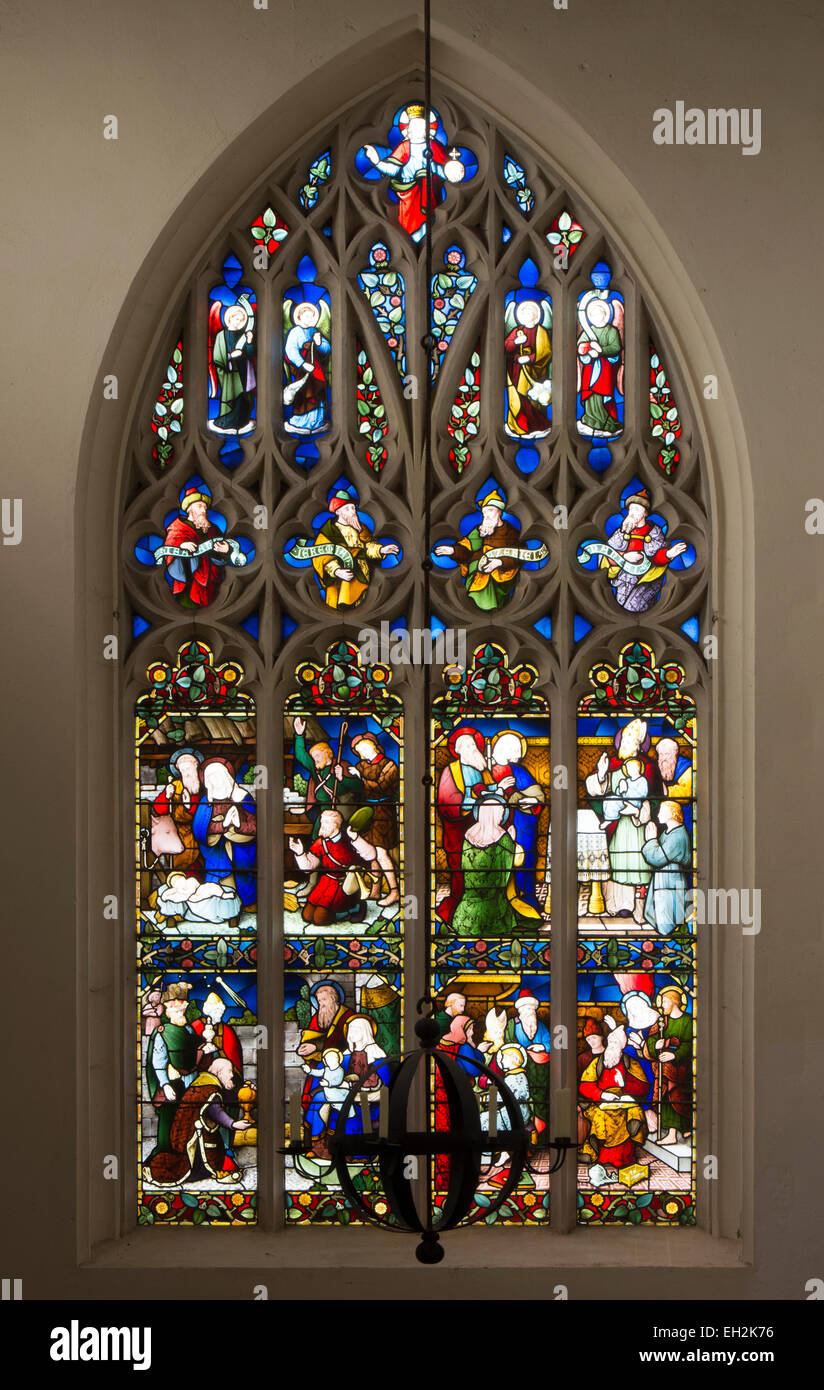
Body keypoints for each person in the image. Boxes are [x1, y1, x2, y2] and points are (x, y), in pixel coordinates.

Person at [142, 1056, 252, 1187]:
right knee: (192, 1166)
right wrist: (233, 1124)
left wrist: (245, 1092)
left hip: (184, 1134)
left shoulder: (203, 1082)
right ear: (219, 1072)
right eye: (229, 1071)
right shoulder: (210, 1090)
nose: (232, 1075)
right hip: (194, 1138)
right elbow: (216, 1112)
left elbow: (226, 1096)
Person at [359, 105, 452, 243]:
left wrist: (451, 170)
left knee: (430, 222)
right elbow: (394, 169)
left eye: (422, 127)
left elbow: (444, 172)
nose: (419, 130)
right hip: (408, 194)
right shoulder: (404, 147)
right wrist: (377, 162)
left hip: (430, 193)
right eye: (415, 126)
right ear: (408, 129)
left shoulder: (435, 147)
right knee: (410, 226)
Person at [450, 790, 532, 937]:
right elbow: (513, 865)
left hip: (469, 902)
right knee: (531, 920)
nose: (501, 817)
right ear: (493, 814)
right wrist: (512, 842)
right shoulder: (502, 837)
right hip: (494, 903)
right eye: (500, 813)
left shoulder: (468, 835)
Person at [435, 726, 492, 922]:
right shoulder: (450, 771)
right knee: (461, 870)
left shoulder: (482, 769)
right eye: (466, 745)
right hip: (458, 829)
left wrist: (497, 790)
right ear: (457, 749)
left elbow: (491, 789)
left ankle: (482, 910)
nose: (471, 748)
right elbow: (446, 801)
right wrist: (473, 798)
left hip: (482, 829)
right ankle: (459, 908)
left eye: (473, 745)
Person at [598, 491, 688, 613]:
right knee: (621, 607)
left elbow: (657, 558)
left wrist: (669, 554)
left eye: (636, 509)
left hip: (647, 580)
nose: (632, 513)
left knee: (634, 605)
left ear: (645, 512)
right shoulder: (621, 533)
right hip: (624, 580)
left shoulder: (655, 532)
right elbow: (606, 555)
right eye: (630, 509)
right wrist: (625, 556)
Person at [579, 1017, 649, 1172]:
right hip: (600, 1101)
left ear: (621, 1047)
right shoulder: (598, 1063)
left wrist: (626, 1086)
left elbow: (643, 1086)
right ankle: (596, 1154)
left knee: (633, 1112)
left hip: (624, 1100)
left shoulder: (630, 1062)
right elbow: (584, 1085)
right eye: (611, 1043)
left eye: (615, 1043)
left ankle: (624, 1155)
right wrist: (601, 1094)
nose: (612, 1046)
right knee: (601, 1116)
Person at [308, 491, 399, 610]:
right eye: (347, 509)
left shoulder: (362, 529)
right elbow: (322, 557)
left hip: (362, 577)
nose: (352, 512)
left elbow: (367, 547)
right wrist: (337, 571)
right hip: (338, 583)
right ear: (338, 511)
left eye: (353, 508)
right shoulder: (328, 532)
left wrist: (381, 549)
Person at [433, 491, 523, 611]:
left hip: (502, 578)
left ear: (500, 512)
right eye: (484, 511)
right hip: (478, 577)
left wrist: (499, 563)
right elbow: (467, 551)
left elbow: (520, 555)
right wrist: (452, 550)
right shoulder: (479, 532)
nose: (487, 515)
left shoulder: (512, 533)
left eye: (490, 510)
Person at [144, 983, 200, 1170]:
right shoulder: (162, 1032)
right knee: (169, 1120)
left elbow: (193, 1057)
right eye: (173, 1001)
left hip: (190, 1082)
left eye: (181, 1001)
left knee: (189, 1119)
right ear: (166, 1006)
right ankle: (165, 1155)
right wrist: (165, 1085)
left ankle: (190, 1157)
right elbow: (158, 1062)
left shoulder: (190, 1030)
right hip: (171, 1085)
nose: (178, 1004)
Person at [490, 729, 546, 913]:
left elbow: (537, 795)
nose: (516, 754)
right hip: (494, 824)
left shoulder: (519, 771)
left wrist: (524, 800)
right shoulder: (485, 771)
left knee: (525, 857)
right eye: (512, 749)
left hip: (522, 823)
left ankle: (526, 898)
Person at [296, 981, 356, 1152]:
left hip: (343, 1072)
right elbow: (311, 1037)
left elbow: (347, 1044)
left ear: (334, 999)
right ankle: (315, 1144)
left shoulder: (348, 1017)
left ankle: (334, 1143)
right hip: (320, 1071)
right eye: (318, 1000)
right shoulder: (319, 1017)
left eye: (323, 1000)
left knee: (333, 1104)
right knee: (311, 1101)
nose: (320, 1004)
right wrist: (306, 1046)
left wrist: (316, 1047)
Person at [289, 808, 375, 926]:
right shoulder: (320, 843)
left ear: (335, 825)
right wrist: (300, 853)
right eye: (322, 822)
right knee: (307, 915)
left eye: (326, 823)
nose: (322, 826)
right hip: (326, 881)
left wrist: (356, 838)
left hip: (343, 884)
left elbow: (371, 855)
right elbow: (308, 868)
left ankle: (354, 908)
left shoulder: (349, 839)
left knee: (320, 918)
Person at [191, 757, 257, 911]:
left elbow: (255, 826)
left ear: (227, 777)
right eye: (212, 779)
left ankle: (248, 902)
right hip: (216, 852)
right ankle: (223, 906)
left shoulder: (242, 797)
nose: (217, 782)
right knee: (219, 880)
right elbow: (199, 829)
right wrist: (224, 824)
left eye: (219, 776)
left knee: (244, 869)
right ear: (207, 782)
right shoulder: (206, 802)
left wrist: (238, 824)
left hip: (242, 849)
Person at [347, 732, 400, 907]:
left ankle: (394, 891)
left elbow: (381, 787)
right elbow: (354, 786)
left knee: (381, 851)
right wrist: (342, 776)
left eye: (365, 748)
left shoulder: (389, 765)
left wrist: (360, 777)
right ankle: (376, 890)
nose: (363, 753)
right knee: (372, 854)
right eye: (359, 751)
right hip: (367, 812)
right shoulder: (361, 765)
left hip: (383, 811)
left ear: (374, 746)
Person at [158, 487, 233, 608]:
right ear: (189, 509)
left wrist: (225, 551)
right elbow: (170, 545)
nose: (204, 510)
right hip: (187, 587)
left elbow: (221, 557)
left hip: (210, 586)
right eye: (199, 506)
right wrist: (181, 546)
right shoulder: (178, 527)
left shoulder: (214, 529)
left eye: (205, 507)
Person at [291, 716, 360, 826]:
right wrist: (299, 735)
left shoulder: (342, 765)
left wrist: (342, 778)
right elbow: (301, 755)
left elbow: (359, 786)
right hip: (320, 811)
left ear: (327, 753)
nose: (315, 759)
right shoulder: (315, 768)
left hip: (339, 811)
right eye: (313, 757)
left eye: (317, 755)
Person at [646, 987, 694, 1144]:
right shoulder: (662, 1021)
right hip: (665, 1067)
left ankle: (684, 1128)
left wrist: (675, 1054)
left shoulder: (687, 1020)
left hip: (682, 1067)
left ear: (674, 1001)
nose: (662, 1005)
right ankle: (672, 1133)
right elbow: (651, 1040)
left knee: (678, 1095)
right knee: (666, 1094)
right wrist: (657, 1045)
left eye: (665, 1001)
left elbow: (689, 1043)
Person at [641, 802, 692, 937]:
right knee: (661, 903)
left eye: (662, 811)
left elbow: (658, 858)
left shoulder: (677, 836)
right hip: (664, 876)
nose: (658, 815)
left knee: (667, 905)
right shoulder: (668, 832)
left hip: (671, 878)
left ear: (671, 814)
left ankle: (668, 938)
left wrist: (651, 840)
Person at [504, 990, 551, 1134]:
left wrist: (541, 1046)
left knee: (540, 1104)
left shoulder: (541, 1027)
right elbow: (508, 1046)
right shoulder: (512, 1025)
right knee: (521, 1104)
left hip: (540, 1073)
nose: (531, 1013)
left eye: (533, 1009)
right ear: (521, 1011)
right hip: (520, 1073)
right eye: (527, 1009)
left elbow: (550, 1043)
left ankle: (540, 1138)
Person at [505, 298, 552, 439]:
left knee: (534, 400)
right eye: (524, 313)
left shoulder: (541, 331)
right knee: (518, 398)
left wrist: (530, 358)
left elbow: (546, 352)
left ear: (536, 316)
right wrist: (515, 342)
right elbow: (506, 347)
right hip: (517, 372)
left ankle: (538, 425)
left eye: (530, 313)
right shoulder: (517, 331)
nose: (527, 315)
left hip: (536, 373)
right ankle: (519, 426)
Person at [150, 747, 203, 872]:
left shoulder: (205, 786)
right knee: (180, 868)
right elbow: (158, 811)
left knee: (200, 868)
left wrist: (188, 806)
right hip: (177, 834)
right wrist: (167, 796)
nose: (187, 772)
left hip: (200, 833)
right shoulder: (175, 786)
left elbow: (207, 811)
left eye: (189, 768)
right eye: (183, 770)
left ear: (196, 767)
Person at [577, 295, 623, 438]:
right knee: (590, 394)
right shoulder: (588, 331)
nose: (597, 317)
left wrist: (602, 350)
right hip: (590, 369)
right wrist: (587, 349)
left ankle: (606, 422)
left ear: (605, 315)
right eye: (594, 315)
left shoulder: (612, 331)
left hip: (606, 369)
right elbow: (580, 346)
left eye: (600, 314)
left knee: (603, 395)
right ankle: (590, 419)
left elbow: (616, 347)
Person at [283, 300, 331, 435]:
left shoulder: (315, 332)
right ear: (299, 317)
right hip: (302, 371)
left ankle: (317, 422)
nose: (309, 319)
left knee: (318, 393)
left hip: (316, 370)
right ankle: (300, 422)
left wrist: (319, 342)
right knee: (304, 394)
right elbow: (290, 350)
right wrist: (303, 364)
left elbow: (327, 349)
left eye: (311, 316)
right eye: (306, 316)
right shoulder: (295, 332)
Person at [209, 297, 255, 434]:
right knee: (233, 397)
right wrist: (230, 356)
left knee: (244, 398)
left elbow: (251, 353)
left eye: (242, 320)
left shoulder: (243, 335)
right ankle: (227, 421)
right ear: (229, 319)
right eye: (237, 319)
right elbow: (217, 357)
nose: (239, 322)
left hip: (243, 370)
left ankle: (242, 421)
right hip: (229, 373)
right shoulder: (221, 336)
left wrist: (250, 342)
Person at [300, 1047, 351, 1127]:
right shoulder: (326, 1069)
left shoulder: (340, 1070)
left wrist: (328, 1084)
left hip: (336, 1093)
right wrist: (310, 1070)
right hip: (328, 1092)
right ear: (325, 1061)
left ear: (338, 1060)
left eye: (332, 1059)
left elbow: (338, 1081)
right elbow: (318, 1072)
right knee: (316, 1100)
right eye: (328, 1060)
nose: (330, 1061)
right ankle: (310, 1121)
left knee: (340, 1106)